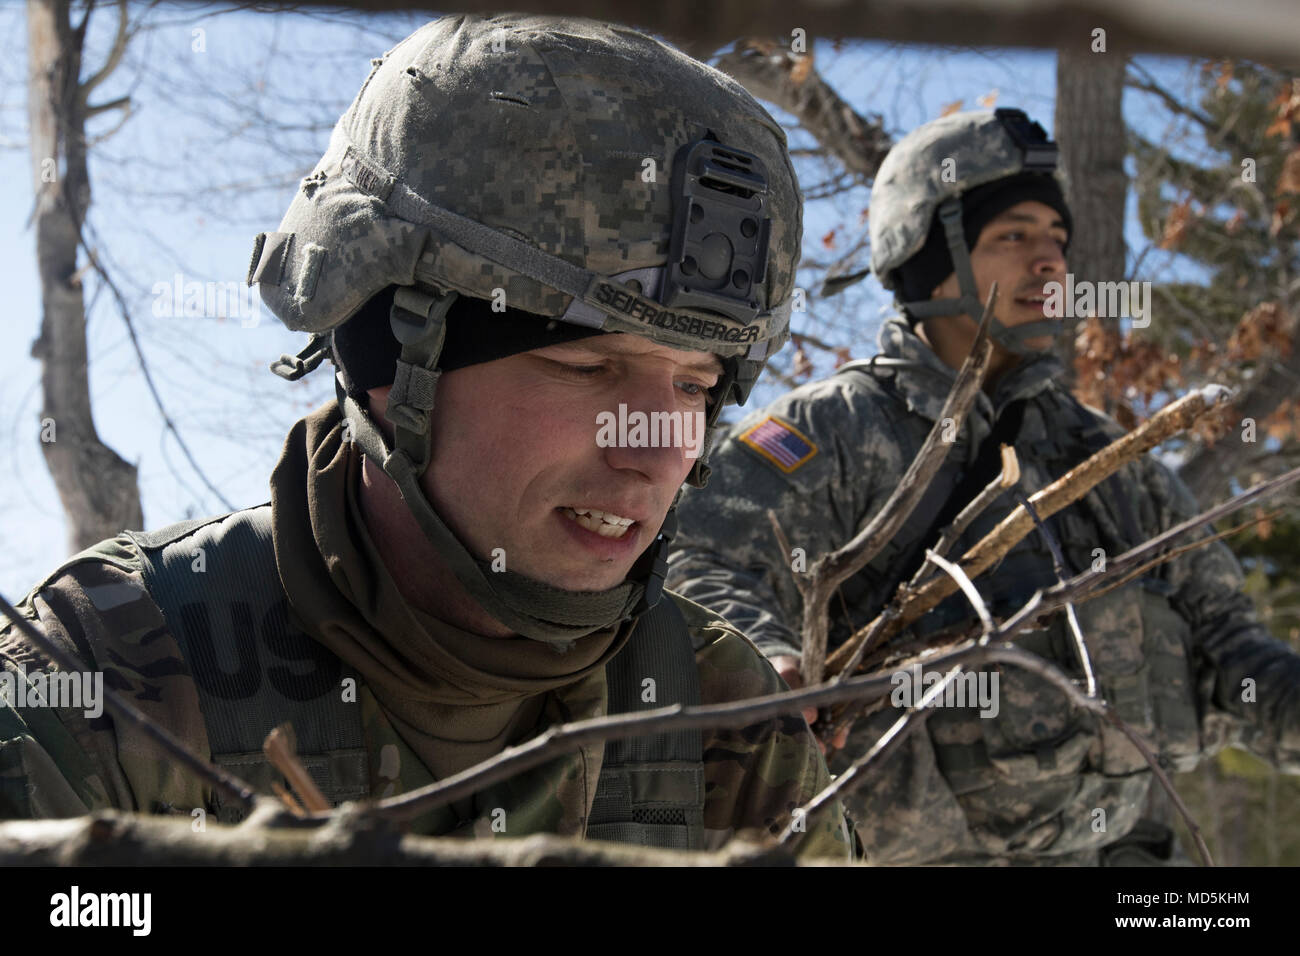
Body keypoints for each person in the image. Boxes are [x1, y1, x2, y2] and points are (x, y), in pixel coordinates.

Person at [0, 14, 853, 860]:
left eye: (697, 385)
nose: (661, 448)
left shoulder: (719, 710)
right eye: (590, 368)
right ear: (395, 358)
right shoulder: (111, 670)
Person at [667, 107, 1300, 865]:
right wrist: (773, 664)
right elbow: (699, 560)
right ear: (928, 256)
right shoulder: (834, 429)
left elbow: (1228, 643)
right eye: (1014, 236)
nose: (1051, 263)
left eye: (1058, 241)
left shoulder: (1114, 462)